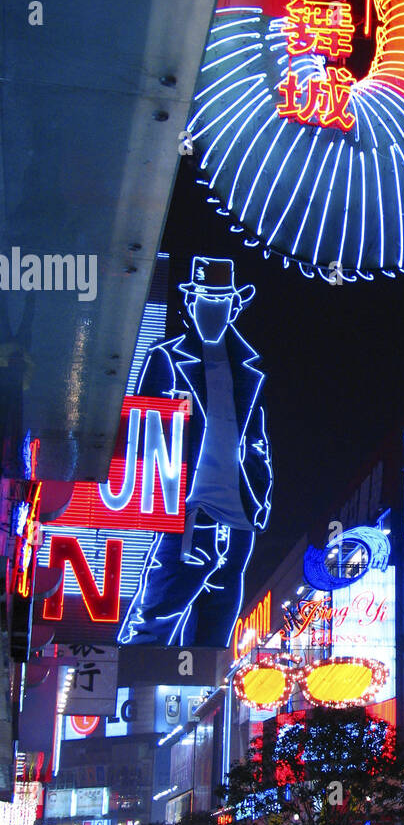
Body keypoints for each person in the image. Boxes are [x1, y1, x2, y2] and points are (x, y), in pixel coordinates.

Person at [117, 256, 273, 648]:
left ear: (234, 306)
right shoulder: (166, 358)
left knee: (217, 624)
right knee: (156, 615)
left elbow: (257, 439)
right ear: (189, 303)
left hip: (238, 509)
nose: (210, 309)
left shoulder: (247, 368)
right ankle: (121, 696)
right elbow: (137, 430)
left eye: (219, 301)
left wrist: (262, 493)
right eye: (203, 299)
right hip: (185, 509)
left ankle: (204, 701)